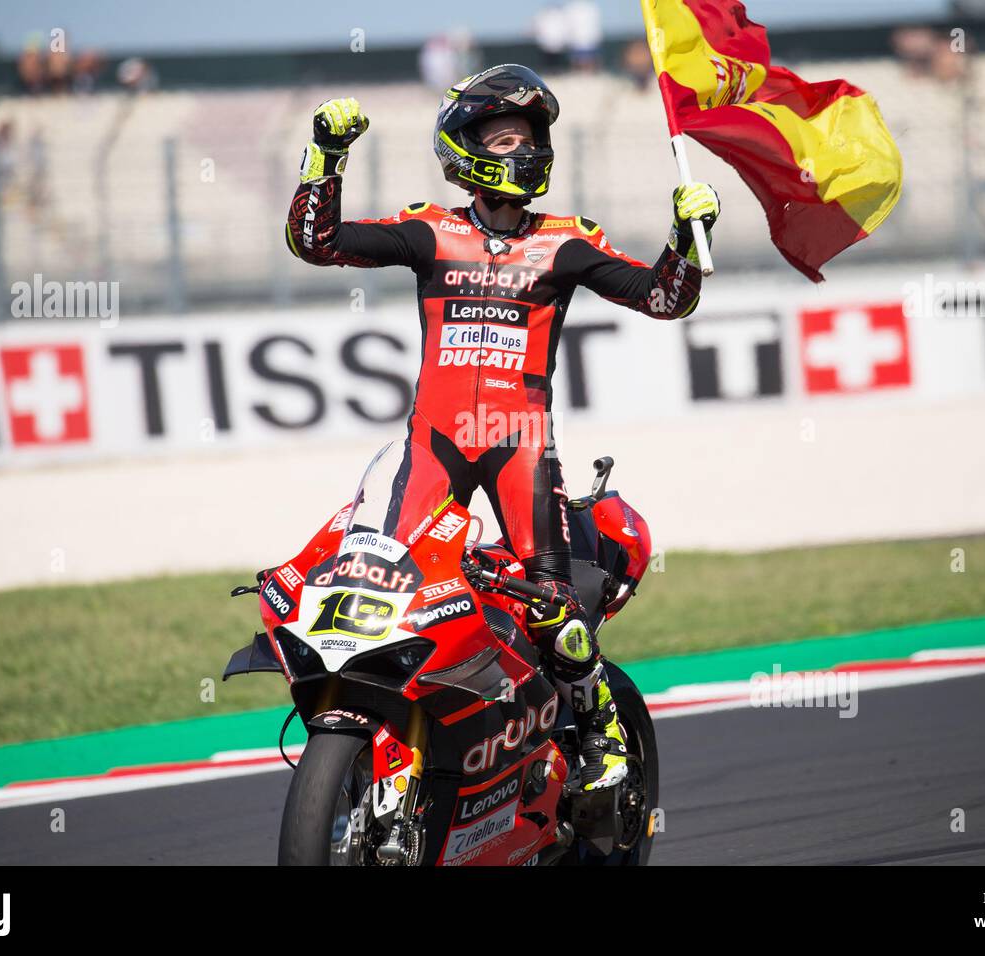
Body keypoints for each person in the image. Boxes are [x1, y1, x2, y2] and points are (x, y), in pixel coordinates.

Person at [284, 64, 719, 791]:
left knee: (553, 609)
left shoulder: (567, 241)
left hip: (521, 443)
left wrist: (687, 235)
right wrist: (326, 158)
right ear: (468, 151)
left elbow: (665, 299)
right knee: (378, 578)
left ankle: (601, 735)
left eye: (531, 136)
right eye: (508, 137)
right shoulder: (429, 230)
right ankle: (402, 723)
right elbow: (316, 242)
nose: (525, 150)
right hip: (434, 441)